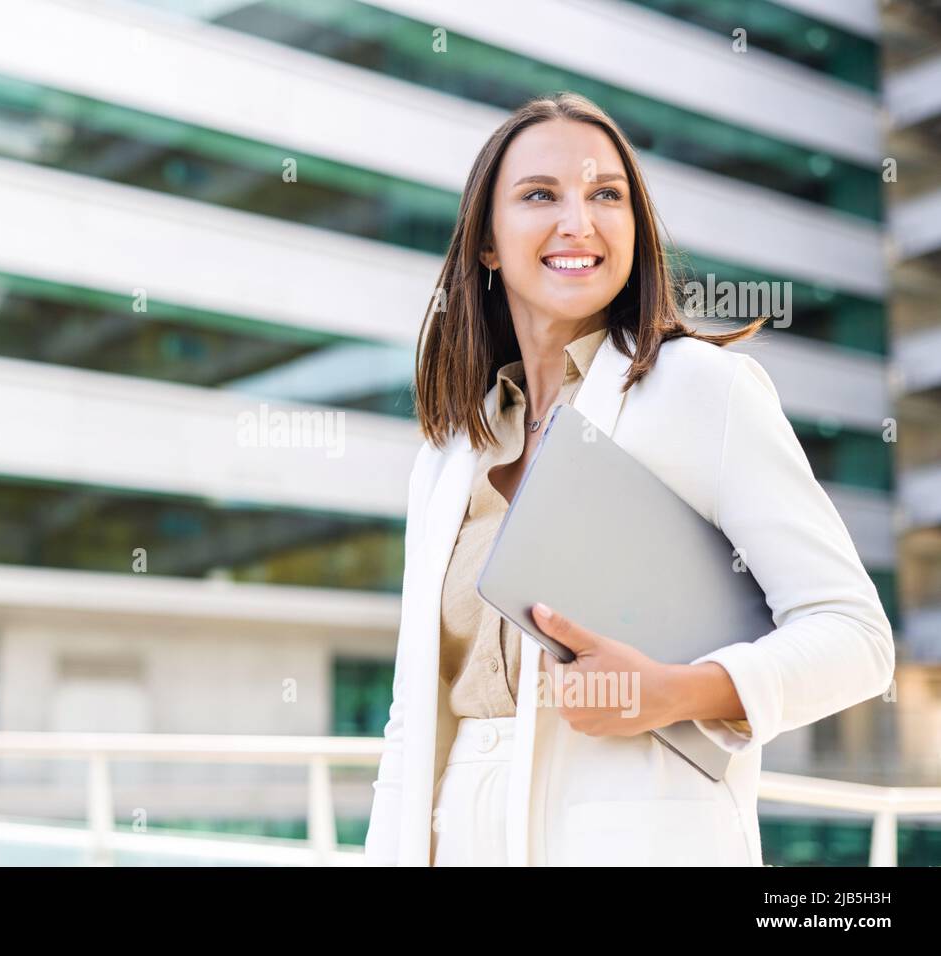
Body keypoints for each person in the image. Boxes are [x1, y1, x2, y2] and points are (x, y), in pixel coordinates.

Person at [363, 92, 895, 866]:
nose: (578, 221)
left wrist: (678, 690)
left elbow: (856, 639)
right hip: (450, 834)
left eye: (606, 195)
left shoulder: (701, 391)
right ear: (485, 243)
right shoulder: (448, 455)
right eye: (541, 195)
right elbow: (412, 719)